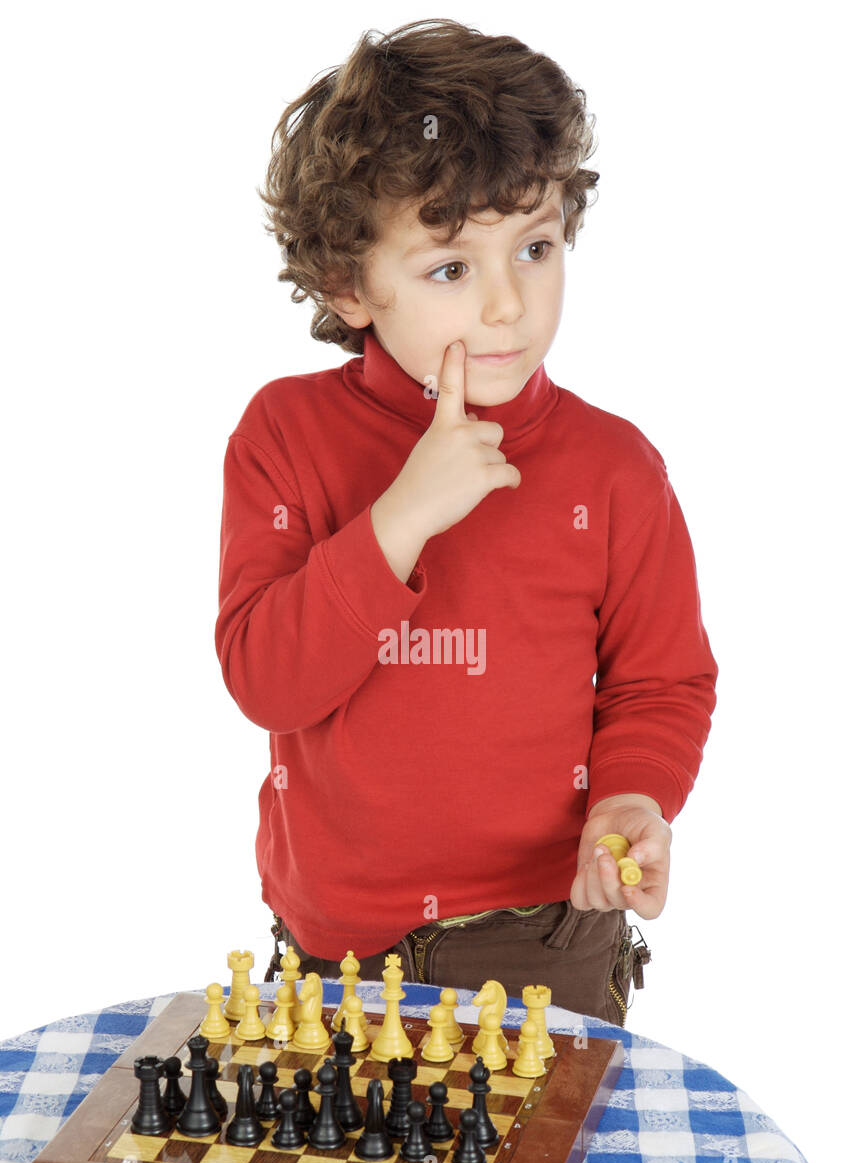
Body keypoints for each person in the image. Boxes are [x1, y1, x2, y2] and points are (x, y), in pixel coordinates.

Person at [214, 19, 718, 1024]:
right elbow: (267, 676)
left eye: (533, 247)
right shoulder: (285, 434)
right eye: (451, 268)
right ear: (349, 284)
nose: (507, 308)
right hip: (334, 955)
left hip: (547, 944)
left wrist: (632, 797)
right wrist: (400, 515)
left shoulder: (616, 468)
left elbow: (662, 682)